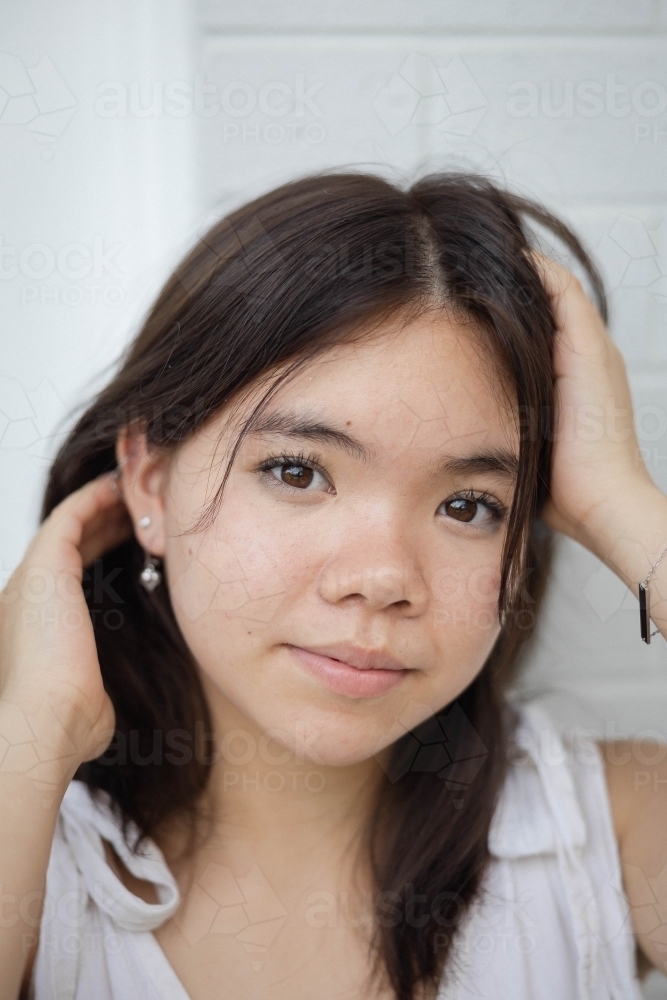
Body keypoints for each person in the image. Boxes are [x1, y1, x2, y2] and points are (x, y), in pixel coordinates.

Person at [1, 171, 666, 1000]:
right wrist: (31, 729)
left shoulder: (613, 832)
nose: (381, 578)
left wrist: (623, 508)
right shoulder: (26, 841)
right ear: (148, 479)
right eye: (296, 470)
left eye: (468, 505)